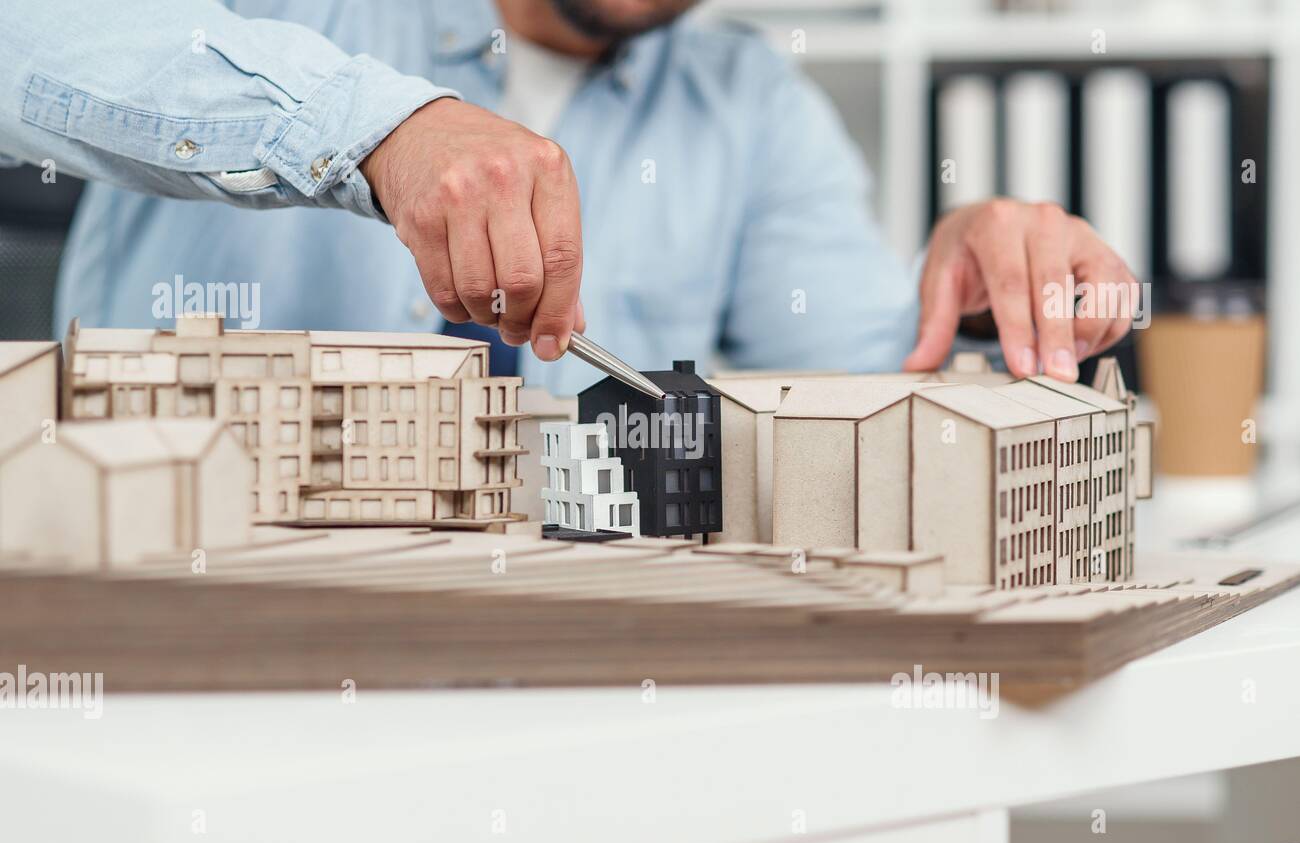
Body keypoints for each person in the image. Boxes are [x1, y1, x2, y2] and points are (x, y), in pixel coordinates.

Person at [0, 0, 1135, 393]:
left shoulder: (750, 102)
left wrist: (988, 310)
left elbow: (870, 386)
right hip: (186, 661)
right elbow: (25, 43)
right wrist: (370, 128)